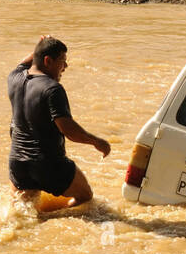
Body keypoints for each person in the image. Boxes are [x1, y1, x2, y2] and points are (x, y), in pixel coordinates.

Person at [7, 36, 111, 214]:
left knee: (23, 213)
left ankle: (39, 227)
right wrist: (97, 142)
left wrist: (41, 46)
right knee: (85, 197)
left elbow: (24, 63)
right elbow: (68, 129)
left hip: (18, 164)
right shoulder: (52, 89)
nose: (65, 66)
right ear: (48, 61)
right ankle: (54, 219)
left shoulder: (14, 78)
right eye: (62, 61)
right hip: (48, 164)